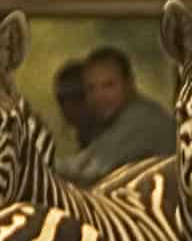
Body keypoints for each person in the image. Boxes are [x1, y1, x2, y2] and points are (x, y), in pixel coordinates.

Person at [59, 44, 177, 183]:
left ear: (129, 84)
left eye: (108, 85)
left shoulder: (143, 119)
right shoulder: (116, 121)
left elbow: (89, 168)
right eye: (91, 88)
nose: (99, 96)